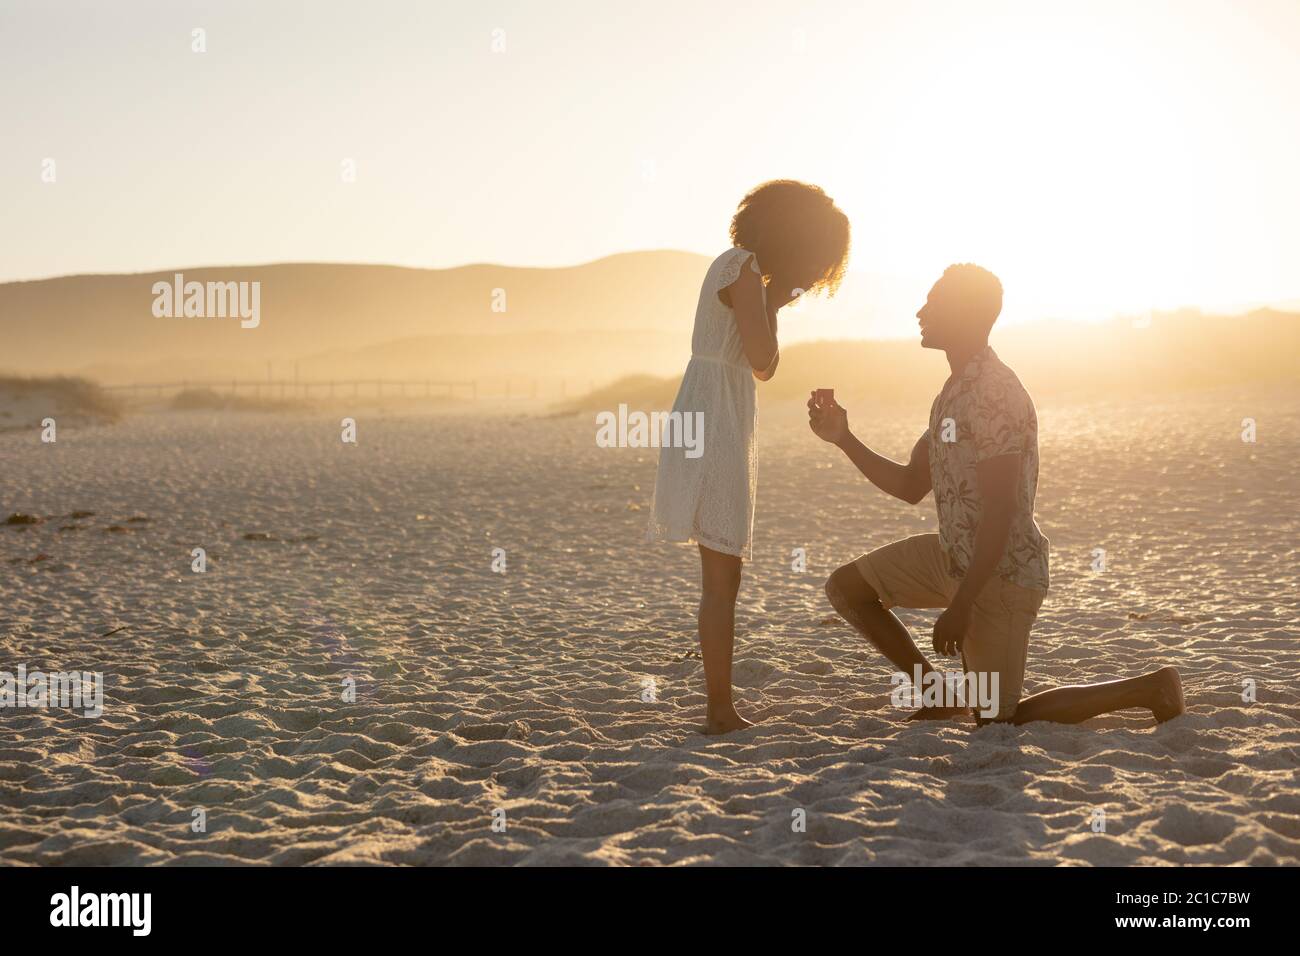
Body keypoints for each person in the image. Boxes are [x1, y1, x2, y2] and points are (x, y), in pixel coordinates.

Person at [810, 264, 1184, 725]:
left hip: (1001, 573)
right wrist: (843, 438)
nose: (920, 312)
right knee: (848, 589)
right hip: (952, 556)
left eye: (934, 303)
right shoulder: (952, 389)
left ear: (965, 315)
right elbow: (911, 485)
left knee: (996, 719)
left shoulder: (994, 392)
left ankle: (1151, 687)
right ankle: (937, 694)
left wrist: (963, 604)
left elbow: (1003, 508)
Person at [647, 180, 851, 734]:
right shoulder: (741, 268)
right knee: (721, 576)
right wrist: (772, 301)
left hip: (720, 412)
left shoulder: (747, 272)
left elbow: (763, 367)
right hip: (716, 418)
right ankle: (718, 710)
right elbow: (764, 356)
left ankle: (720, 704)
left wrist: (773, 301)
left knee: (722, 574)